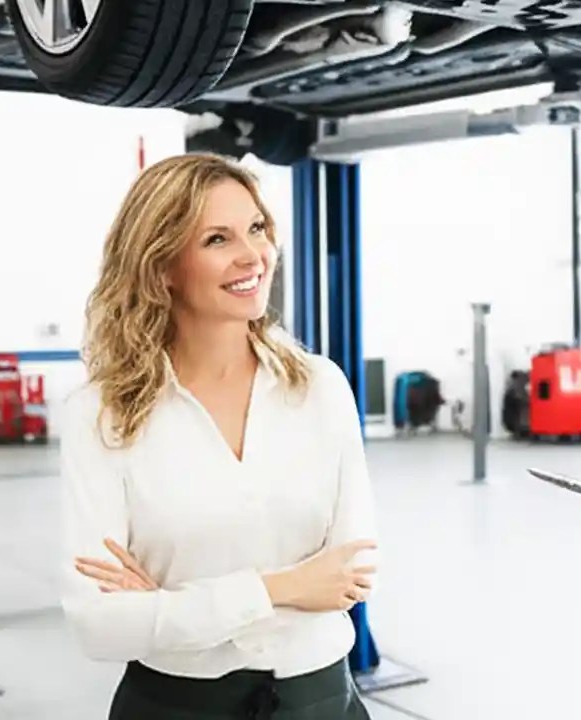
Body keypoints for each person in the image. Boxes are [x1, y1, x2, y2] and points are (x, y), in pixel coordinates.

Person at [59, 153, 379, 720]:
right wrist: (282, 587)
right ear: (162, 267)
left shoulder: (322, 389)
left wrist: (166, 606)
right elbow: (98, 625)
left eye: (257, 229)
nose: (252, 255)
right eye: (216, 239)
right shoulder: (102, 415)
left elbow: (348, 579)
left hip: (320, 701)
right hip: (175, 707)